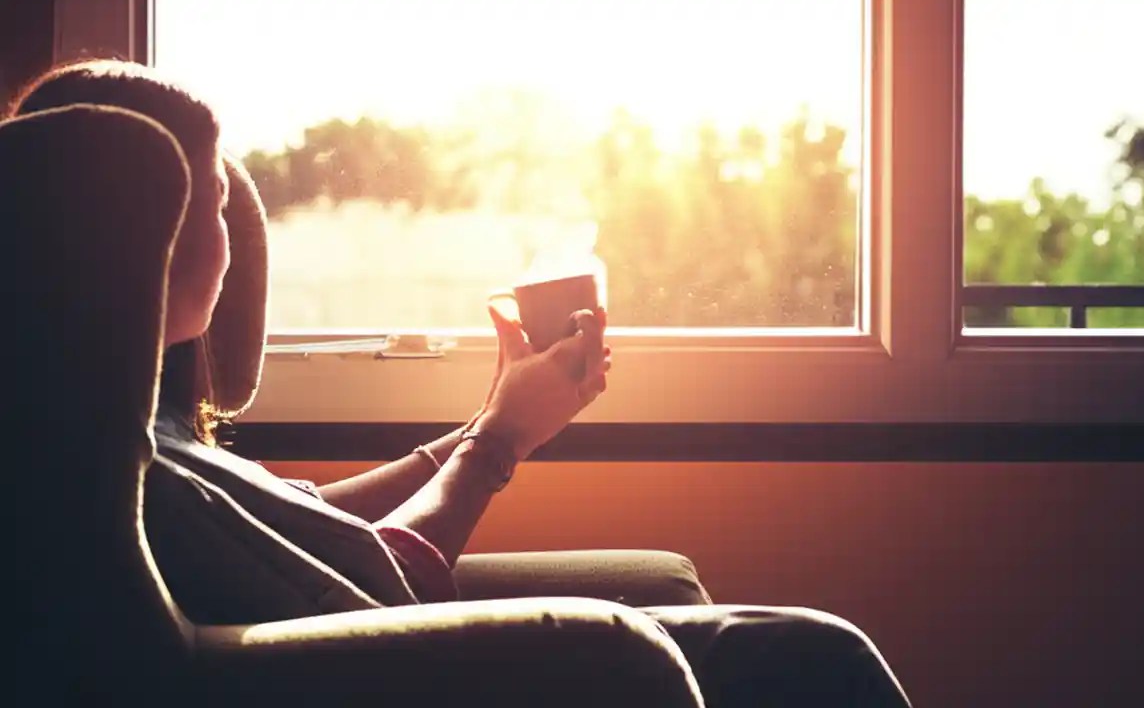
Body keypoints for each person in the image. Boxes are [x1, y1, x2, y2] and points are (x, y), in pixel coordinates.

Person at [8, 59, 911, 707]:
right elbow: (380, 589)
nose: (232, 230)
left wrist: (483, 420)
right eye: (208, 198)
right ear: (143, 228)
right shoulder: (124, 472)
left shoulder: (108, 431)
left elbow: (313, 525)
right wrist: (495, 449)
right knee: (816, 660)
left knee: (756, 631)